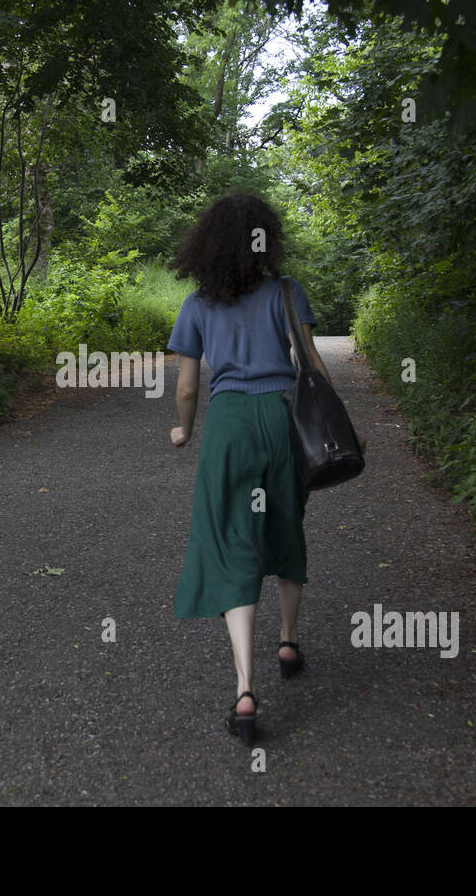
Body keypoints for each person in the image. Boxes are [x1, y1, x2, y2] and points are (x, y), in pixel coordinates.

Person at [165, 191, 362, 745]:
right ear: (266, 238)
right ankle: (289, 640)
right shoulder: (285, 292)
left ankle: (246, 690)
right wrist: (340, 423)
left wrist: (185, 429)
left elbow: (186, 388)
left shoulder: (198, 304)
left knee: (232, 540)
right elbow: (313, 365)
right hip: (283, 421)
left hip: (228, 425)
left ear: (206, 245)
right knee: (284, 525)